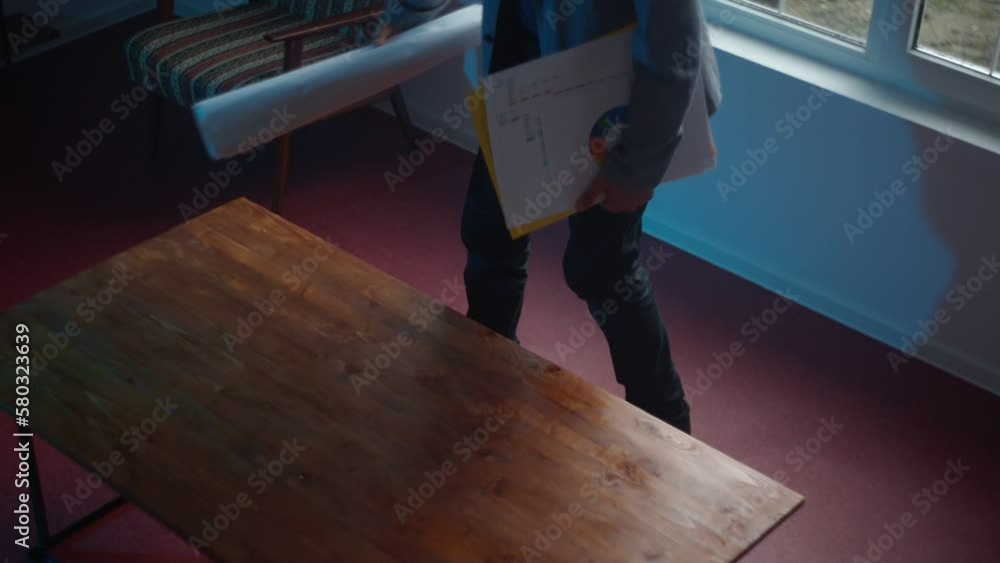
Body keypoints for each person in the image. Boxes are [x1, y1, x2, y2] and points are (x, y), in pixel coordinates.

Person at [460, 0, 722, 435]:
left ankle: (667, 420)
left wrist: (637, 168)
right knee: (489, 233)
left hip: (618, 99)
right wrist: (406, 14)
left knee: (600, 268)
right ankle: (488, 368)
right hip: (521, 69)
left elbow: (675, 41)